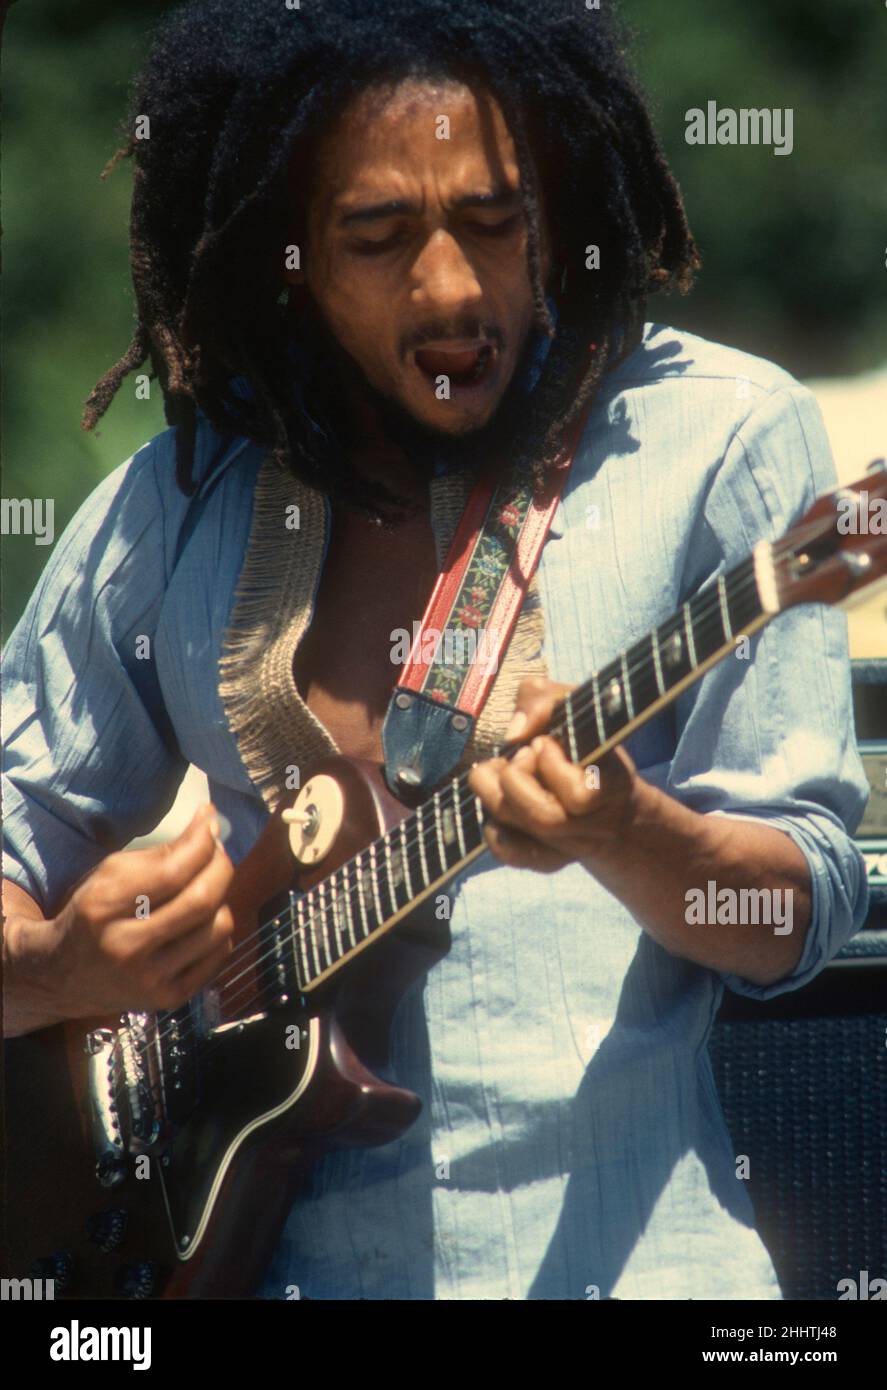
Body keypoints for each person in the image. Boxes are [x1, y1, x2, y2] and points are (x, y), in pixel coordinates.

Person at [2, 0, 869, 1300]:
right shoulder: (176, 504)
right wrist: (59, 966)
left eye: (495, 220)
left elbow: (798, 907)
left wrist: (627, 829)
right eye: (380, 236)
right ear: (287, 250)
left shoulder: (724, 439)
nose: (454, 288)